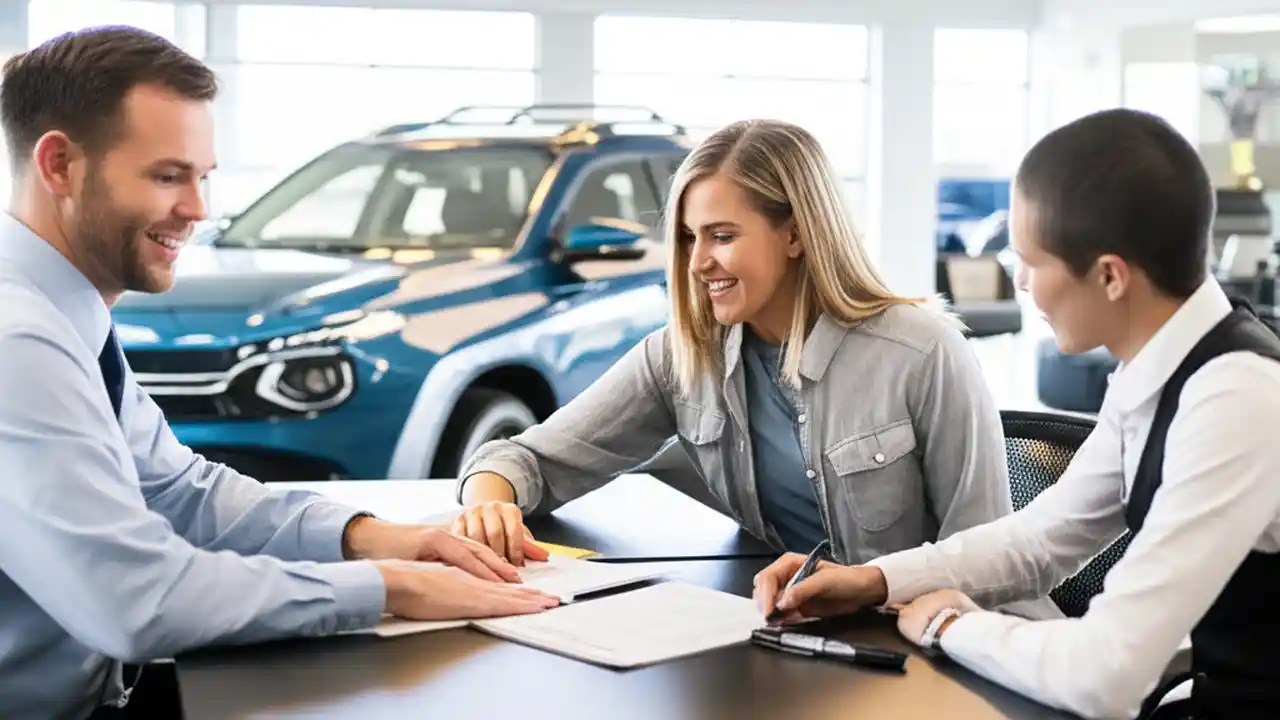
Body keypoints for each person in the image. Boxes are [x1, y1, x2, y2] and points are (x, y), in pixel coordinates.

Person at [0, 27, 559, 720]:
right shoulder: (17, 340)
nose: (198, 210)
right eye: (168, 176)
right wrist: (390, 587)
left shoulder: (63, 313)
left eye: (202, 178)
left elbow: (180, 493)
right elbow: (137, 601)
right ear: (59, 165)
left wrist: (370, 537)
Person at [752, 108, 1280, 720]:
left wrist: (950, 626)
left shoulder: (1235, 400)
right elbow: (1041, 539)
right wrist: (872, 581)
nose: (1022, 282)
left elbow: (1107, 674)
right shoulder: (1160, 368)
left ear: (1110, 276)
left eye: (1031, 260)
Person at [451, 119, 1023, 579]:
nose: (698, 262)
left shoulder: (923, 351)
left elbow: (989, 561)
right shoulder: (682, 356)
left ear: (795, 234)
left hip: (934, 641)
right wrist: (488, 504)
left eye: (722, 236)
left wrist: (876, 596)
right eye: (688, 238)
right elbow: (529, 459)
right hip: (798, 632)